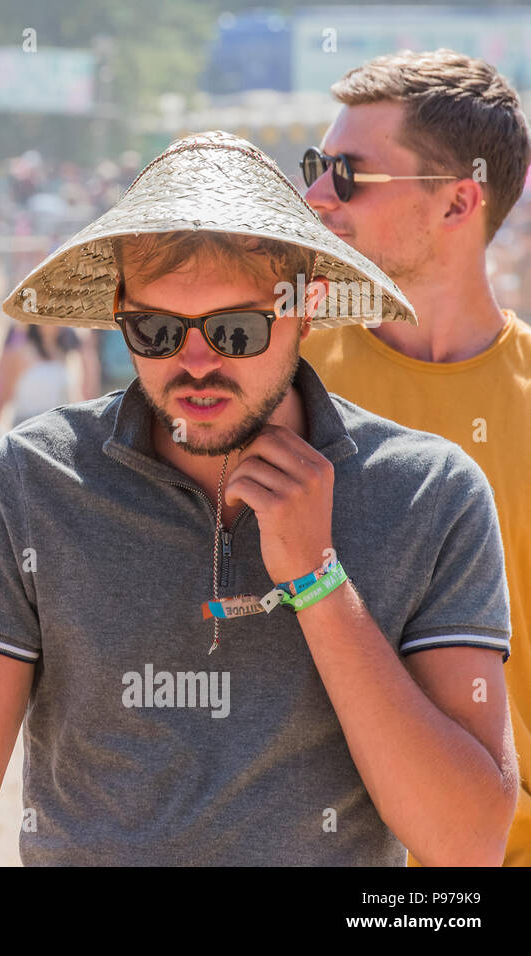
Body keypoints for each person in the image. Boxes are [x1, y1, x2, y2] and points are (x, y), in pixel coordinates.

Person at [0, 131, 516, 866]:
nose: (195, 364)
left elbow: (466, 841)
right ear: (120, 313)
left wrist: (319, 581)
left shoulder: (431, 492)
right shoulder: (33, 479)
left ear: (307, 308)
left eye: (235, 331)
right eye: (156, 331)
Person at [298, 49, 531, 867]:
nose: (316, 196)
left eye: (348, 175)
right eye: (316, 167)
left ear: (459, 200)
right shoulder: (281, 371)